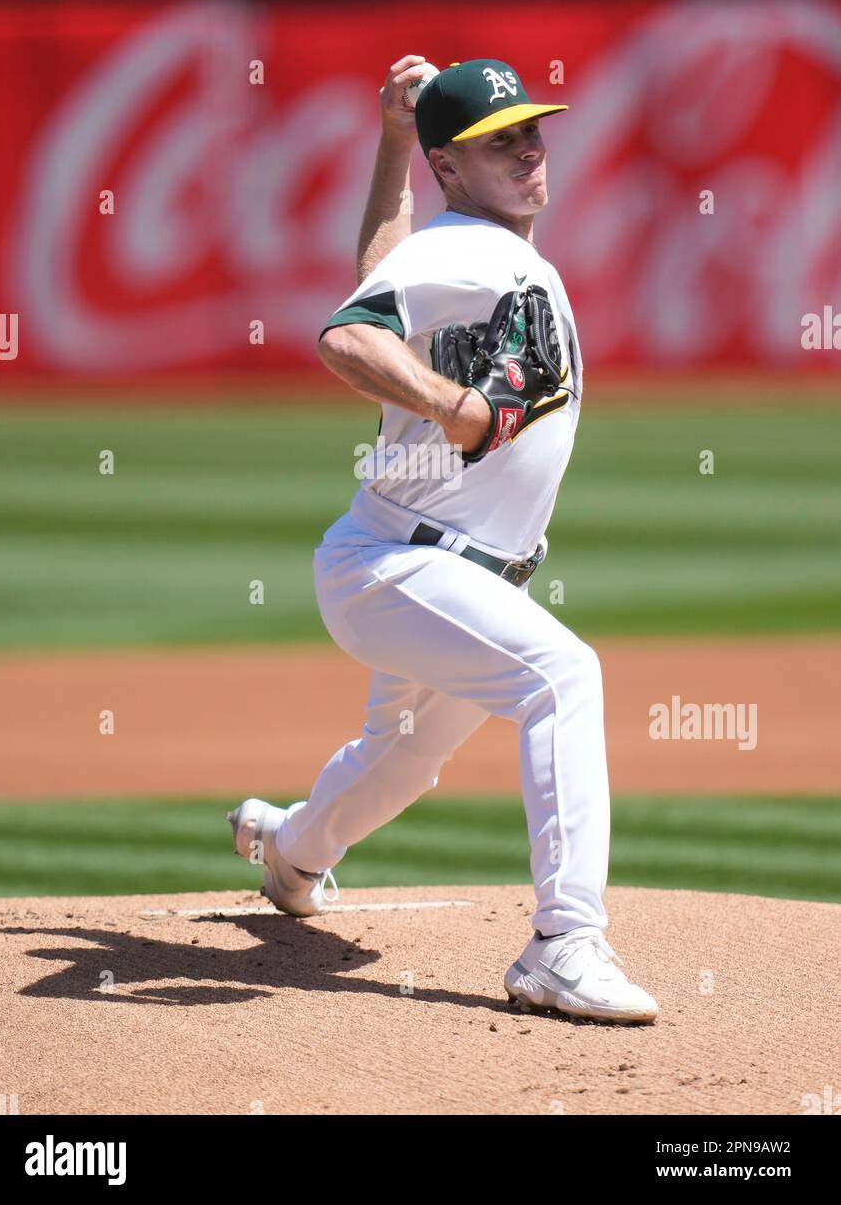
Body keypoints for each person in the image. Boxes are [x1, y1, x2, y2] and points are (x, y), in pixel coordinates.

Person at [227, 56, 658, 1024]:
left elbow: (381, 268)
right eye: (496, 138)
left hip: (451, 572)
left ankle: (289, 854)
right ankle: (563, 942)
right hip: (392, 563)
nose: (527, 146)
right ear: (449, 169)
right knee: (561, 674)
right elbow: (347, 332)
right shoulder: (471, 247)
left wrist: (388, 143)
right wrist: (449, 404)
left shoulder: (475, 250)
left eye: (529, 128)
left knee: (400, 759)